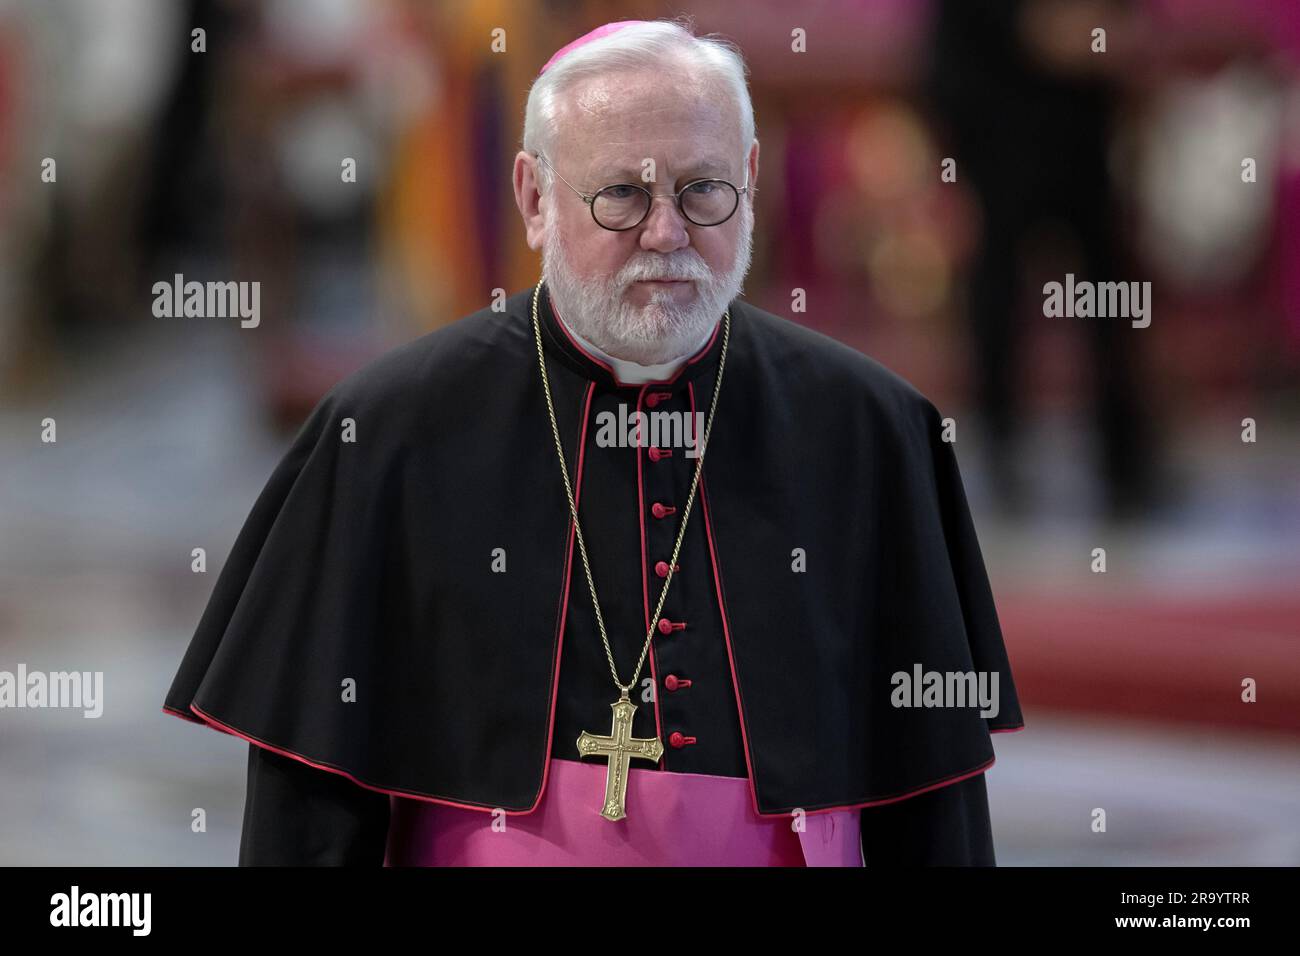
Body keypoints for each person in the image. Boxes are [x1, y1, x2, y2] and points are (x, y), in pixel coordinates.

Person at [163, 18, 1023, 867]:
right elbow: (308, 818)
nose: (667, 234)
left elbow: (933, 805)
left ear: (752, 180)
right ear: (535, 199)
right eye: (622, 195)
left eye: (703, 190)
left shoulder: (870, 431)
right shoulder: (389, 434)